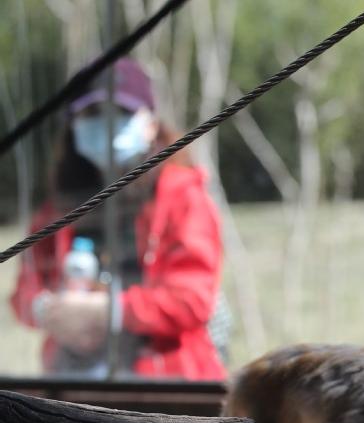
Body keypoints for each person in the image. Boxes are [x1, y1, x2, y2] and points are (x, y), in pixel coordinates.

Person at [9, 58, 226, 380]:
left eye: (121, 113)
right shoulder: (58, 208)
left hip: (169, 382)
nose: (107, 124)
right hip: (73, 380)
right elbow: (23, 293)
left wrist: (110, 313)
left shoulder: (182, 196)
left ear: (151, 122)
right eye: (93, 114)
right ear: (74, 126)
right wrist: (51, 312)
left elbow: (192, 300)